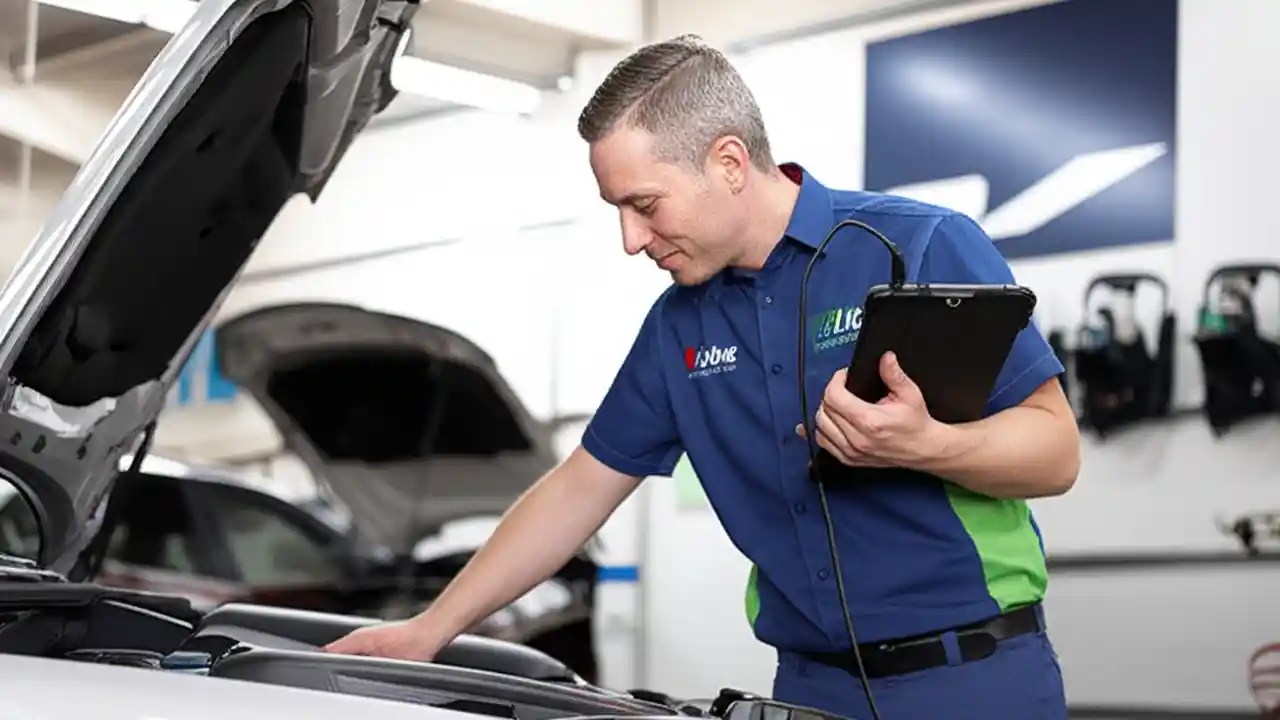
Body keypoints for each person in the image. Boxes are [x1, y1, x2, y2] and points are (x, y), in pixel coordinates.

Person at [323, 34, 1081, 720]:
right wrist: (429, 631)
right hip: (810, 691)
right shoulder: (677, 327)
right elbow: (576, 491)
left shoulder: (919, 246)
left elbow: (1055, 453)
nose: (630, 239)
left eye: (644, 205)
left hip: (974, 681)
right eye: (617, 209)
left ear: (727, 162)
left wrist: (923, 446)